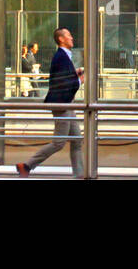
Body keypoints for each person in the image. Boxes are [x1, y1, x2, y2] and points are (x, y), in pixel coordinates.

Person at [16, 28, 84, 178]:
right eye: (69, 35)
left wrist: (75, 74)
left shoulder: (63, 56)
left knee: (77, 140)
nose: (72, 37)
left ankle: (79, 174)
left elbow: (64, 79)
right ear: (61, 39)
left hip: (67, 104)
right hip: (62, 105)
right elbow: (65, 84)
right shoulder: (61, 57)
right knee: (59, 143)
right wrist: (79, 80)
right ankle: (27, 166)